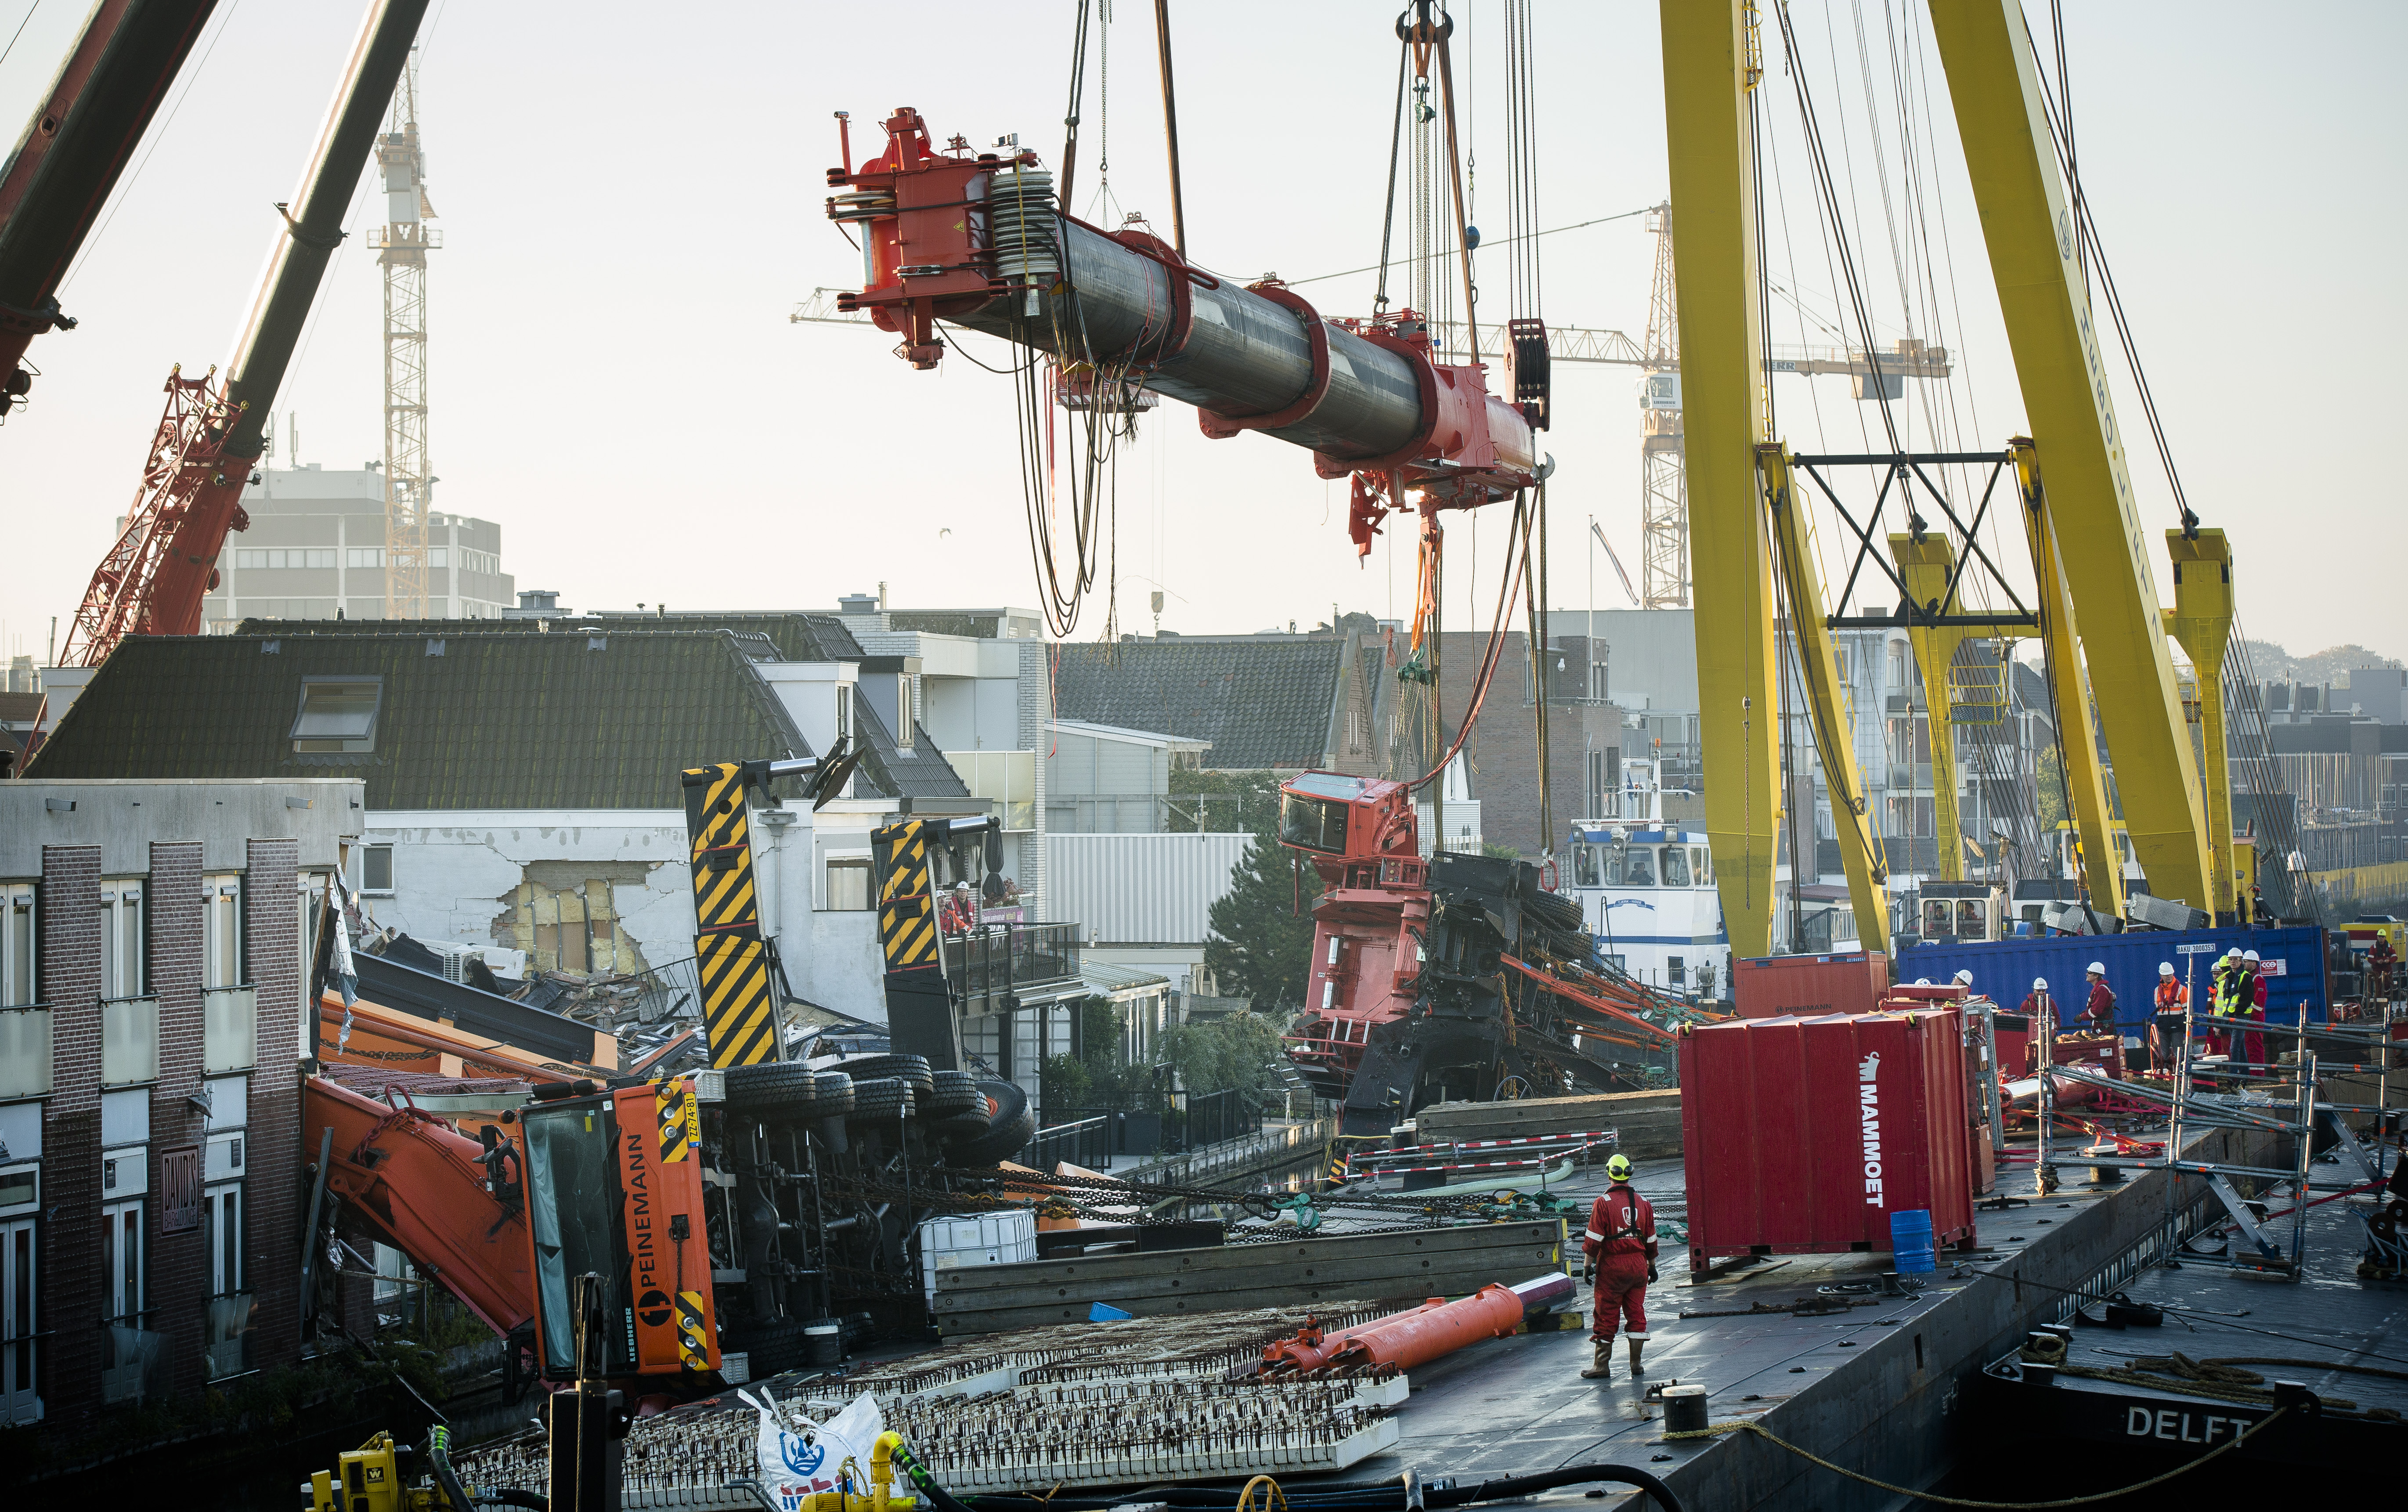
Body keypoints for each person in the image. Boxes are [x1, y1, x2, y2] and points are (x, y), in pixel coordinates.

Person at [1580, 1153, 1658, 1382]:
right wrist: (1652, 1265)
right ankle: (1636, 1364)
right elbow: (1651, 1239)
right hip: (1639, 1266)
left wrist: (1587, 1266)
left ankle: (1601, 1366)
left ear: (1610, 1174)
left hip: (1613, 1267)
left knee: (1606, 1314)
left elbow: (1593, 1240)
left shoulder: (1603, 1203)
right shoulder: (1644, 1202)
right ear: (1629, 1174)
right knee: (1636, 1313)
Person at [2206, 948, 2246, 1058]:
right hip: (2236, 1021)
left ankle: (2233, 1069)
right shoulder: (2238, 979)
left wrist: (2218, 1025)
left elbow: (2220, 1007)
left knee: (2229, 1052)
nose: (2216, 976)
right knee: (2238, 1051)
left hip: (2226, 1022)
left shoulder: (2223, 983)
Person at [2149, 962, 2188, 1069]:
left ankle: (2179, 1073)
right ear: (2161, 976)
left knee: (2178, 1053)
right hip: (2163, 1026)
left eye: (2170, 974)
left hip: (2177, 1026)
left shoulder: (2182, 989)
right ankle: (2167, 1074)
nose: (2169, 977)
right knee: (2163, 1055)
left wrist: (2187, 1025)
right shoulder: (2157, 990)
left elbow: (2188, 1010)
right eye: (2166, 975)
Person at [2238, 950, 2270, 1070]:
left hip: (2254, 1020)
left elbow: (2259, 1003)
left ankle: (2257, 1075)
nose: (2244, 964)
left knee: (2255, 1048)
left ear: (2254, 963)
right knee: (2248, 1047)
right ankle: (2251, 1075)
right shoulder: (2248, 978)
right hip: (2248, 1019)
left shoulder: (2257, 979)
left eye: (2246, 962)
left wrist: (2250, 1015)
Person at [2081, 962, 2117, 1037]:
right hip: (2100, 1028)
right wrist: (2086, 1013)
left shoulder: (2101, 990)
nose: (2087, 974)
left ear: (2096, 976)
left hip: (2103, 1029)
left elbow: (2095, 1012)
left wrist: (2081, 1017)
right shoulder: (2100, 988)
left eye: (2089, 973)